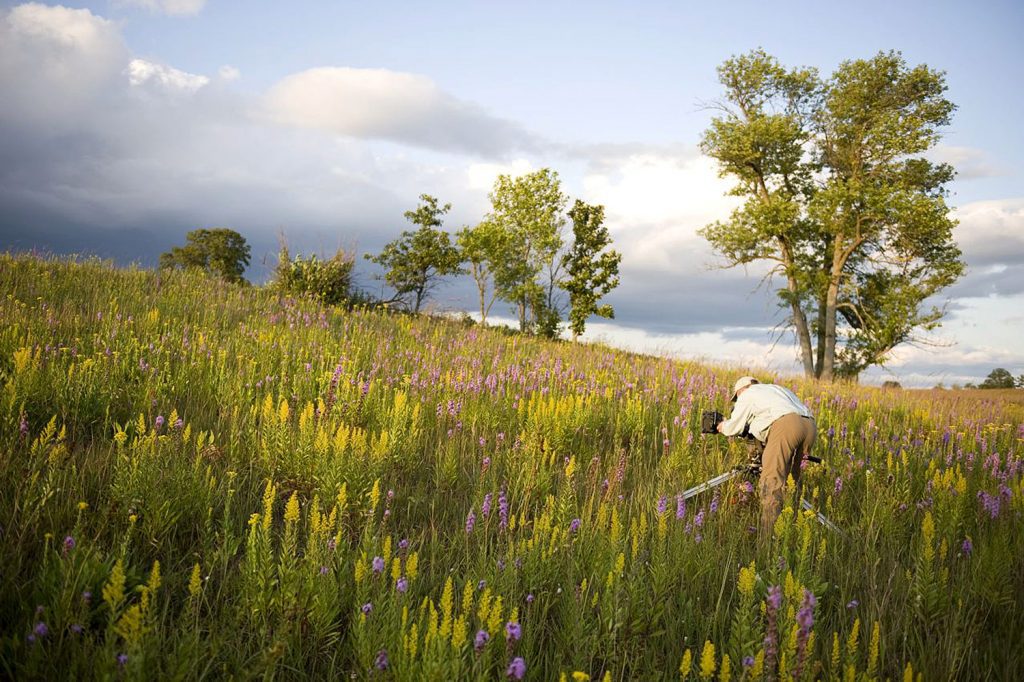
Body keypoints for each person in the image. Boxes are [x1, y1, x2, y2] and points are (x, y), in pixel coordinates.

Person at [717, 376, 816, 537]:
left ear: (742, 390)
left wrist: (722, 426)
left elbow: (734, 427)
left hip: (787, 426)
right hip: (810, 426)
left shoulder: (748, 394)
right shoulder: (776, 389)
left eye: (736, 398)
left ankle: (769, 541)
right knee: (791, 484)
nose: (737, 401)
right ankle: (793, 532)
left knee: (772, 483)